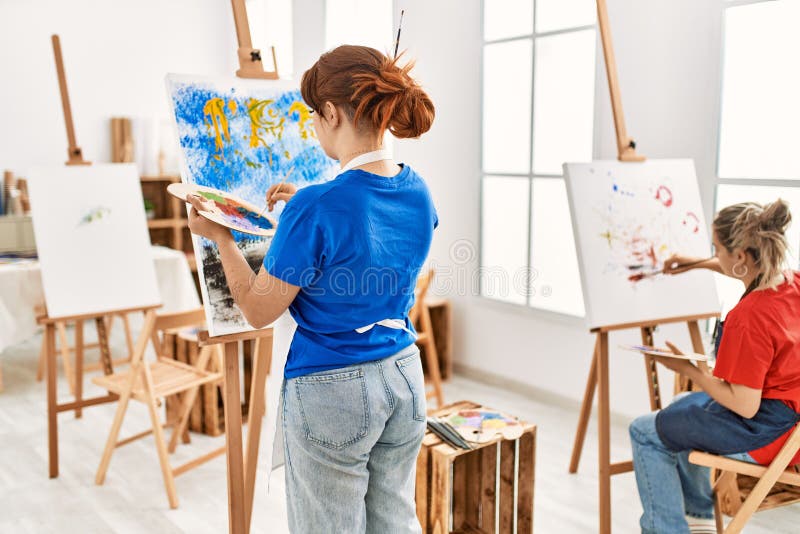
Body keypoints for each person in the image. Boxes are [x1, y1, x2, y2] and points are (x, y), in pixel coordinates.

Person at [186, 45, 437, 533]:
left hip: (334, 389)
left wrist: (221, 238)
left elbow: (258, 310)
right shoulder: (418, 189)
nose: (314, 127)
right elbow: (367, 233)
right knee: (394, 523)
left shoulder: (318, 207)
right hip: (404, 376)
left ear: (330, 113)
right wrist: (309, 205)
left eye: (313, 116)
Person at [628, 199, 800, 534]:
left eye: (716, 248)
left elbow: (744, 406)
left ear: (740, 256)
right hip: (792, 426)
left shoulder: (749, 318)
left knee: (646, 432)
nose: (714, 254)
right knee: (680, 409)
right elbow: (739, 266)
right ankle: (700, 518)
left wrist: (692, 372)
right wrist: (697, 263)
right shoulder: (791, 282)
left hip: (764, 433)